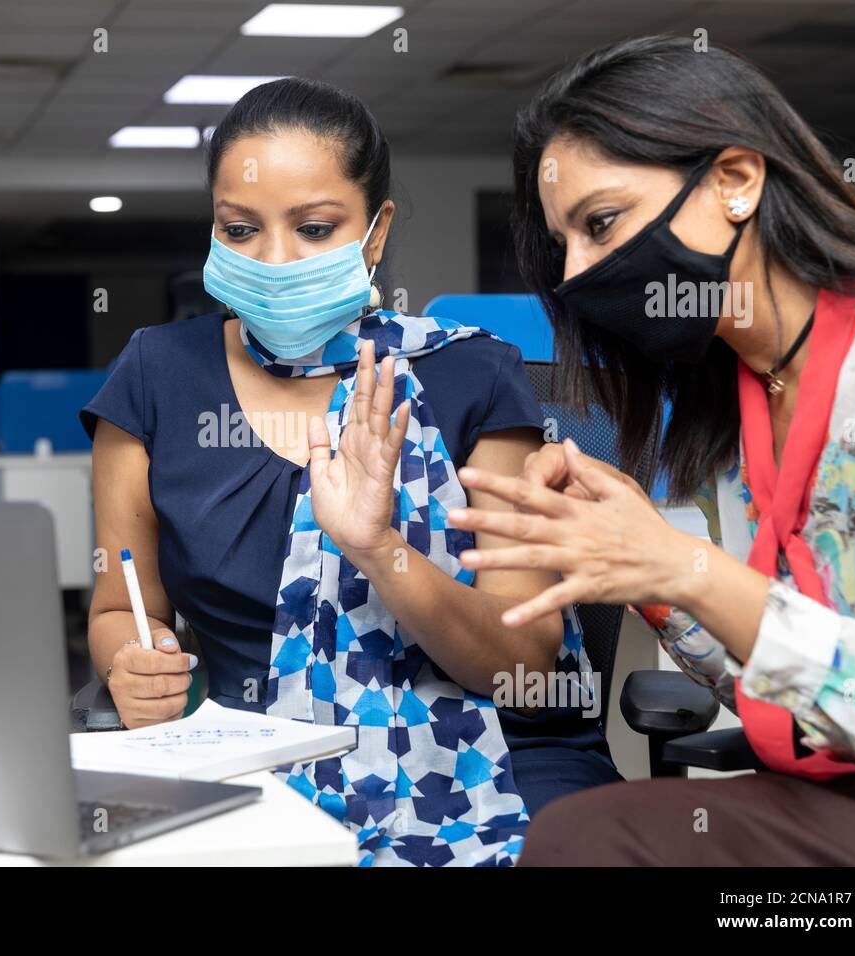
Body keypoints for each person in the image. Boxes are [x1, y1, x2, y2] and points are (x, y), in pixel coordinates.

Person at [80, 77, 620, 866]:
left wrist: (379, 550)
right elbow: (118, 606)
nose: (273, 259)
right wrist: (133, 662)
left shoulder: (471, 375)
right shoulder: (156, 374)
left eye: (313, 227)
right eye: (240, 229)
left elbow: (525, 666)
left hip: (494, 753)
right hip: (255, 753)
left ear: (375, 232)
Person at [446, 36, 855, 864]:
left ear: (734, 181)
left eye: (602, 223)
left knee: (590, 840)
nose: (580, 272)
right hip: (831, 795)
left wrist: (683, 567)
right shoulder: (747, 397)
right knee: (580, 834)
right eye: (565, 248)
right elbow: (789, 686)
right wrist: (642, 570)